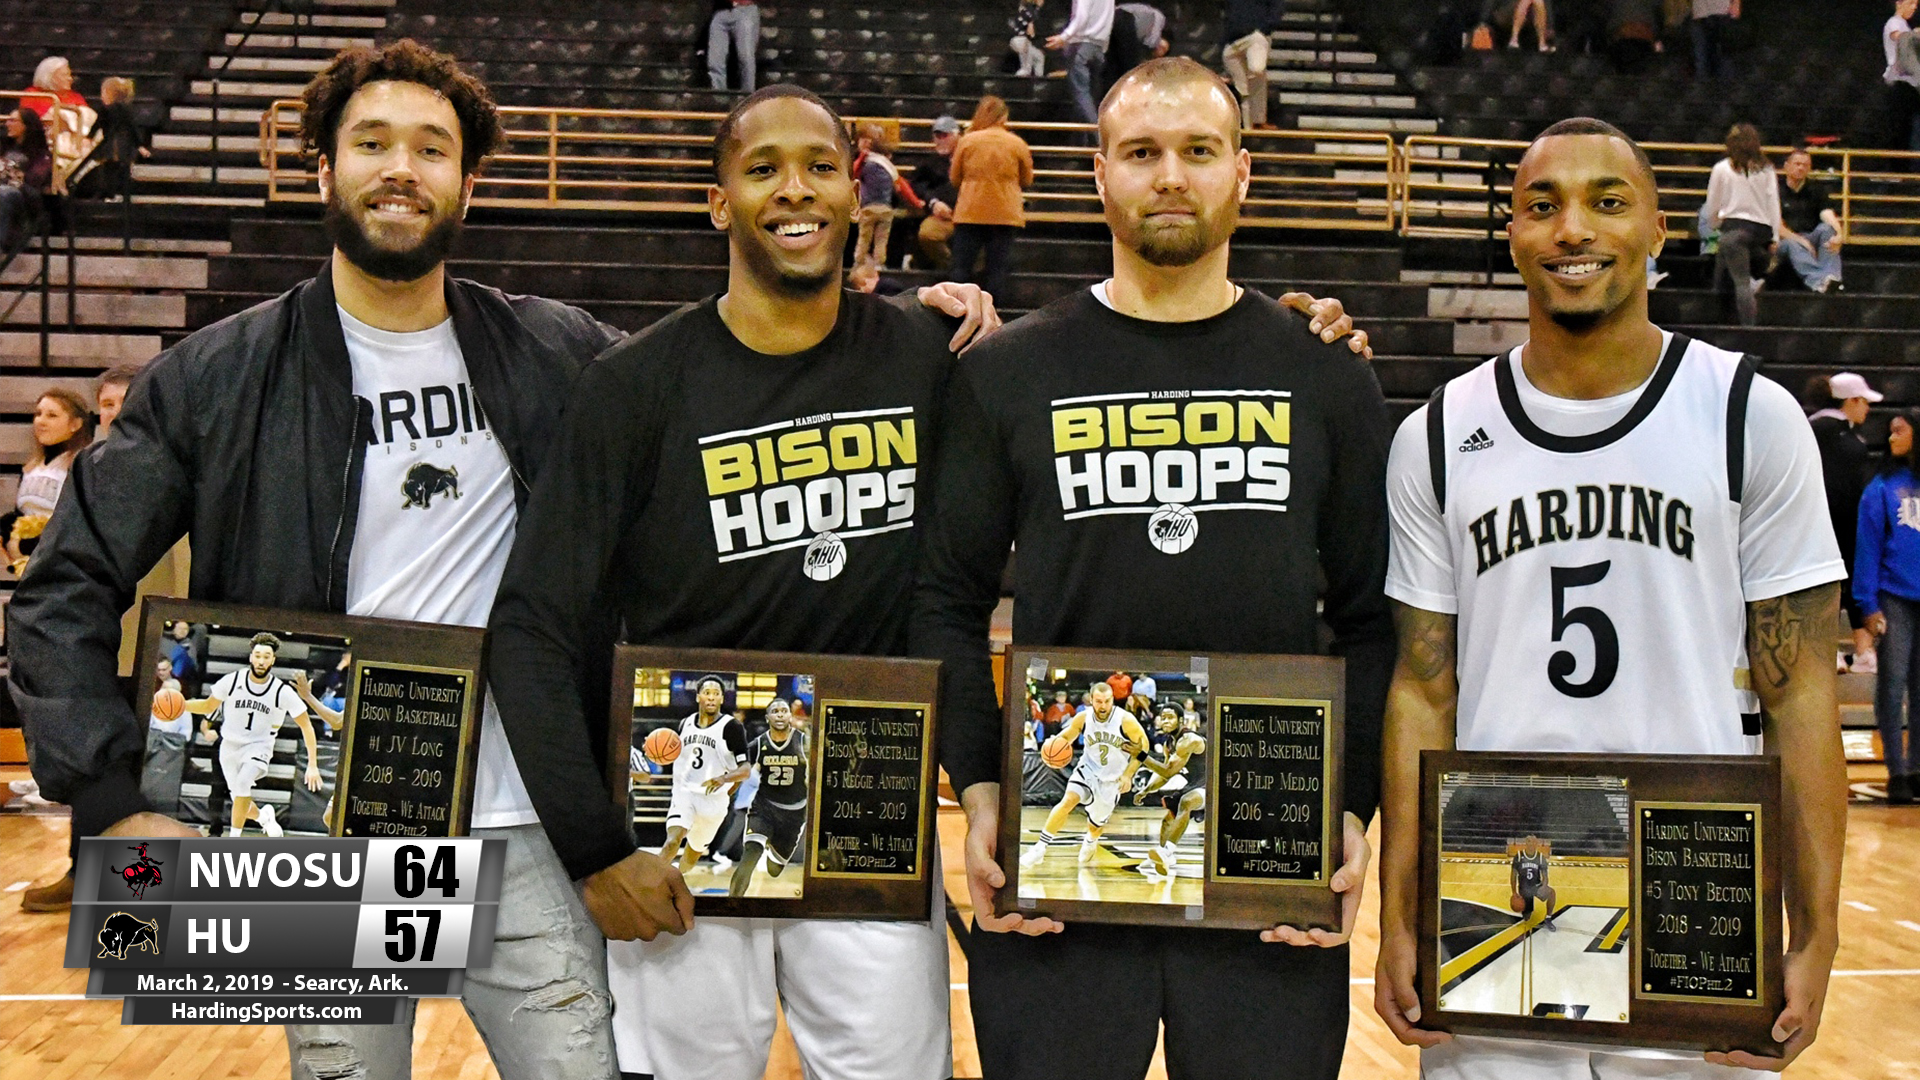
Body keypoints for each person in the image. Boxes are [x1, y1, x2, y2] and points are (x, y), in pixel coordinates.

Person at [4, 39, 663, 1080]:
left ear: (467, 182)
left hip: (523, 823)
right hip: (318, 844)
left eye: (432, 149)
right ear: (322, 168)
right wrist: (113, 795)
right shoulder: (213, 378)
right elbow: (62, 586)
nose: (403, 167)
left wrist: (904, 334)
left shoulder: (560, 350)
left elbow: (731, 380)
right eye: (372, 143)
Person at [484, 83, 1005, 1080]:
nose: (794, 189)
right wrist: (594, 849)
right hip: (688, 820)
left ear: (859, 194)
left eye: (819, 165)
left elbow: (953, 599)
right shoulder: (634, 387)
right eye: (761, 168)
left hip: (869, 806)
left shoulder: (930, 357)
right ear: (719, 201)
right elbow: (531, 626)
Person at [913, 57, 1384, 1080]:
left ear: (1242, 172)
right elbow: (944, 602)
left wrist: (1348, 806)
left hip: (1269, 854)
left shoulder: (1325, 375)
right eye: (1142, 152)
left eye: (1198, 151)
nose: (1171, 175)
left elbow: (1371, 615)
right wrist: (983, 783)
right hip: (1061, 860)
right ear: (1098, 174)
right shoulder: (1008, 373)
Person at [1375, 117, 1846, 1078]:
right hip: (1499, 880)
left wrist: (1817, 932)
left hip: (1698, 886)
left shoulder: (1749, 414)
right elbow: (1424, 691)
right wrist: (1398, 916)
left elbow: (1798, 691)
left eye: (1607, 201)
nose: (1572, 229)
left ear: (1662, 229)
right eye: (1541, 206)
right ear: (1511, 233)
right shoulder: (1435, 433)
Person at [182, 633, 321, 837]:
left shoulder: (280, 691)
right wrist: (181, 706)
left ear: (273, 660)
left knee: (242, 783)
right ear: (250, 657)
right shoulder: (232, 680)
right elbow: (207, 706)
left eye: (266, 656)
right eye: (257, 655)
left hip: (259, 746)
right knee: (241, 798)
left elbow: (307, 726)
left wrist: (312, 764)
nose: (261, 660)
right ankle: (263, 817)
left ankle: (234, 839)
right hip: (228, 747)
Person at [1855, 409, 1920, 804]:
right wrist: (1867, 604)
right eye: (1890, 431)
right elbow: (1867, 550)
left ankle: (1917, 768)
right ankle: (1897, 772)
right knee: (1892, 686)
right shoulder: (1880, 488)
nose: (1892, 437)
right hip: (1894, 599)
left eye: (1900, 430)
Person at [1019, 681, 1149, 866]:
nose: (1103, 706)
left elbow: (1144, 747)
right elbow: (1066, 737)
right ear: (1091, 700)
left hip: (1111, 781)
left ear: (1112, 700)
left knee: (1096, 826)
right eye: (1098, 701)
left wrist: (1128, 774)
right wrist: (1054, 743)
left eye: (1107, 701)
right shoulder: (1083, 718)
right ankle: (1040, 848)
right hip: (1087, 770)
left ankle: (1090, 839)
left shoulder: (1125, 720)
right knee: (1068, 801)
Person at [1811, 372, 1880, 672]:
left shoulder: (1827, 431)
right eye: (1864, 401)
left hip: (1833, 520)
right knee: (1834, 582)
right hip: (1833, 520)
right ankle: (1835, 650)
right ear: (1850, 400)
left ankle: (1861, 651)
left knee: (1844, 580)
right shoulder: (1839, 437)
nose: (1867, 409)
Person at [658, 675, 750, 873]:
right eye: (707, 693)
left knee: (691, 856)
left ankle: (677, 881)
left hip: (713, 802)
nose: (711, 698)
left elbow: (745, 770)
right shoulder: (684, 724)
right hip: (685, 794)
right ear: (698, 696)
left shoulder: (731, 727)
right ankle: (646, 887)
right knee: (672, 842)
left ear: (722, 699)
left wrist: (724, 780)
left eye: (716, 694)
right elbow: (672, 755)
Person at [950, 95, 1034, 303]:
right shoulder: (1017, 143)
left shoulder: (967, 141)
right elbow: (1027, 179)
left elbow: (954, 177)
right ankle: (993, 317)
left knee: (961, 268)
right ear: (1003, 117)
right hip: (1005, 213)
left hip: (970, 212)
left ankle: (956, 312)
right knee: (996, 269)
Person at [5, 388, 92, 575]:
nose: (41, 422)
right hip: (29, 569)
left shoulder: (83, 465)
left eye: (52, 415)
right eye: (38, 414)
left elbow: (78, 525)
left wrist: (32, 546)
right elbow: (20, 514)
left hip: (65, 570)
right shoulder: (31, 468)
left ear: (75, 424)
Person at [728, 697, 810, 895]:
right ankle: (731, 905)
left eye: (783, 710)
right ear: (767, 718)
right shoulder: (757, 744)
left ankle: (774, 852)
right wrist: (727, 790)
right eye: (775, 711)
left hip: (794, 813)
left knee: (774, 870)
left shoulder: (804, 742)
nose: (780, 714)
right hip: (764, 808)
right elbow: (742, 770)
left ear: (790, 716)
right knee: (750, 854)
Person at [1700, 122, 1779, 327]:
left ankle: (1748, 329)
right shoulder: (1767, 168)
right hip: (1761, 229)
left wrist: (1716, 224)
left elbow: (1713, 205)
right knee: (1722, 268)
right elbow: (1773, 204)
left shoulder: (1721, 169)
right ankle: (1718, 319)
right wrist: (1775, 236)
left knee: (1741, 281)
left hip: (1735, 227)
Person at [1132, 705, 1206, 878]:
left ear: (1180, 720)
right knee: (1167, 821)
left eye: (1170, 717)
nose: (1165, 721)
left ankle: (1166, 851)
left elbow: (1168, 771)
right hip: (1195, 783)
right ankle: (1165, 857)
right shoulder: (1169, 743)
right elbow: (1164, 774)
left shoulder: (1189, 740)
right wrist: (1146, 790)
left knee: (1186, 802)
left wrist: (1142, 756)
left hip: (1213, 783)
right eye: (1163, 717)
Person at [852, 121, 920, 274]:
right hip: (883, 208)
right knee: (879, 239)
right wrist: (916, 202)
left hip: (869, 208)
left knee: (865, 237)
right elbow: (901, 185)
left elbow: (854, 174)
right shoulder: (886, 166)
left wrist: (862, 156)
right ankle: (878, 264)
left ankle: (859, 261)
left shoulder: (868, 163)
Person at [1777, 144, 1843, 293]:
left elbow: (1827, 214)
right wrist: (1802, 242)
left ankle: (1832, 279)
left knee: (1828, 229)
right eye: (1797, 164)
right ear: (1786, 166)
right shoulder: (1774, 189)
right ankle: (1819, 281)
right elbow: (1777, 226)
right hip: (1784, 240)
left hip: (1809, 236)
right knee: (1791, 244)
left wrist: (1839, 234)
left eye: (1805, 165)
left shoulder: (1816, 188)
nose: (1801, 168)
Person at [905, 115, 962, 269]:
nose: (940, 140)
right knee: (928, 234)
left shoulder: (971, 159)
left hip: (969, 214)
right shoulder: (929, 163)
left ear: (957, 136)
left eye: (945, 135)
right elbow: (916, 185)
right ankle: (952, 269)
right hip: (942, 215)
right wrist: (934, 203)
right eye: (937, 136)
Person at [1047, 0, 1114, 126]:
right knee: (1090, 100)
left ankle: (1097, 136)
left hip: (1082, 44)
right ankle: (1087, 141)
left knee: (1081, 95)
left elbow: (1081, 16)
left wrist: (1064, 37)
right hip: (1099, 47)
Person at [1223, 0, 1284, 129]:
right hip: (1234, 40)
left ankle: (1257, 120)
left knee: (1256, 70)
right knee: (1242, 89)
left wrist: (1262, 31)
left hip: (1254, 36)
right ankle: (1247, 126)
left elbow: (1277, 8)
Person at [1, 108, 53, 253]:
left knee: (4, 193)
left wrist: (10, 174)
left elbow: (35, 179)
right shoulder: (3, 147)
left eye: (13, 120)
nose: (7, 123)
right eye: (7, 120)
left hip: (24, 196)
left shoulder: (41, 154)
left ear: (26, 126)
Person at [1885, 0, 1920, 152]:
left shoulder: (1904, 25)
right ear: (1899, 3)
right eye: (1911, 3)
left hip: (1910, 82)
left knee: (1909, 127)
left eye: (1916, 5)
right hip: (1900, 82)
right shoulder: (1894, 22)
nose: (1913, 8)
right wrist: (1915, 34)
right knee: (1900, 127)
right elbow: (1898, 37)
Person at [708, 0, 761, 93]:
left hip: (745, 9)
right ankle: (719, 99)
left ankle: (747, 97)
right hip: (720, 10)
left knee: (746, 58)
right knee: (715, 61)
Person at [1507, 837, 1560, 930]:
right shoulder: (1519, 856)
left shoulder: (1540, 857)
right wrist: (1514, 892)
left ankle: (1548, 918)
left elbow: (1545, 876)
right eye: (1529, 841)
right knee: (1527, 918)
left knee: (1552, 893)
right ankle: (1527, 909)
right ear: (1526, 843)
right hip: (1524, 888)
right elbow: (1513, 875)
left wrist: (1544, 886)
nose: (1531, 844)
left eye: (1534, 842)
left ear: (1536, 844)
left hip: (1536, 886)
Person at [1691, 0, 1739, 78]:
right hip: (1700, 14)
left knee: (1725, 59)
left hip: (1723, 12)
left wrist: (1736, 3)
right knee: (1701, 60)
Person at [1012, 0, 1048, 77]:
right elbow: (1029, 31)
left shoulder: (1035, 10)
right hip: (1020, 39)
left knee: (1039, 57)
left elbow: (1033, 30)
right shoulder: (1026, 10)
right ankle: (1024, 71)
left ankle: (1039, 80)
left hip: (1031, 42)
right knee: (1025, 69)